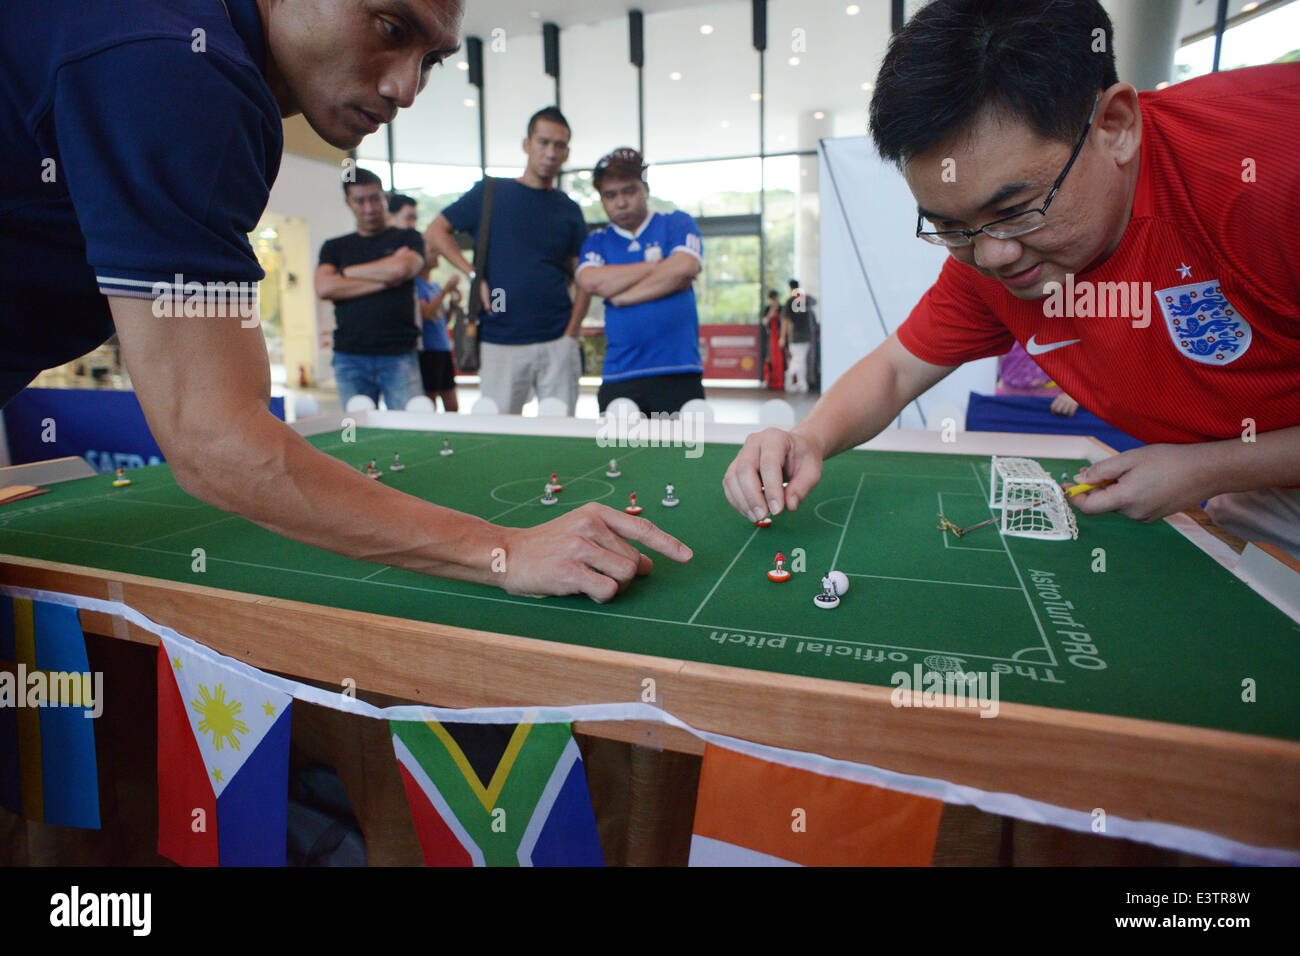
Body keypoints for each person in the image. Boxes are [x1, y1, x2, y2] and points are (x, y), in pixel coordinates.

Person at [2, 0, 690, 602]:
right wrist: (504, 551)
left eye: (434, 60)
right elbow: (216, 440)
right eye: (389, 26)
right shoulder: (177, 66)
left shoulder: (192, 56)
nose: (406, 87)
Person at [723, 0, 1300, 557]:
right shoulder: (988, 254)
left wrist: (1207, 467)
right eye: (950, 225)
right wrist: (809, 438)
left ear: (1116, 126)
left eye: (1018, 207)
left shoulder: (1271, 170)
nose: (994, 255)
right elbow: (897, 371)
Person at [425, 107, 591, 415]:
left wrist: (571, 332)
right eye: (543, 142)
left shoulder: (568, 209)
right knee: (498, 435)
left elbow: (585, 276)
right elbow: (435, 231)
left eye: (560, 145)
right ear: (527, 144)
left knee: (562, 437)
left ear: (567, 152)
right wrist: (473, 274)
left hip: (557, 338)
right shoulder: (491, 193)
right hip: (499, 338)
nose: (551, 152)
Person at [575, 148, 705, 414]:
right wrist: (656, 267)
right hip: (619, 375)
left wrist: (623, 295)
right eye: (610, 195)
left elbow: (684, 267)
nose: (621, 202)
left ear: (645, 189)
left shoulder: (676, 223)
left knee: (682, 455)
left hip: (678, 371)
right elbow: (591, 282)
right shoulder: (597, 241)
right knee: (615, 456)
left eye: (629, 191)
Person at [315, 171, 424, 410]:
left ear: (385, 197)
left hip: (399, 354)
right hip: (349, 357)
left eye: (375, 199)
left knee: (411, 429)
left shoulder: (408, 238)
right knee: (356, 435)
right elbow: (324, 287)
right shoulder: (335, 247)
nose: (369, 208)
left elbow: (401, 269)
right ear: (348, 202)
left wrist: (346, 273)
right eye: (360, 200)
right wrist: (384, 279)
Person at [392, 193, 461, 412]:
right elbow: (427, 313)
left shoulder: (434, 287)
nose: (436, 256)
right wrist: (446, 291)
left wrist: (451, 304)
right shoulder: (415, 285)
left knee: (452, 404)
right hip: (427, 351)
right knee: (428, 404)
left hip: (443, 350)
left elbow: (442, 319)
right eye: (431, 251)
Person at [782, 279, 816, 393]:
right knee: (800, 360)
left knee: (799, 359)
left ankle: (793, 376)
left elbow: (785, 321)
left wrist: (782, 337)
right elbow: (815, 301)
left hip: (795, 336)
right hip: (806, 335)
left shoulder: (790, 301)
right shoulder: (806, 299)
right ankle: (801, 383)